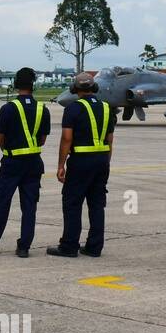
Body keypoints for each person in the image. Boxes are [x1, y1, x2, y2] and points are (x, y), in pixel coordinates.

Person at [0, 67, 50, 258]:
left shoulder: (8, 108)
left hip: (12, 162)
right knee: (29, 206)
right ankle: (24, 247)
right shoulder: (43, 109)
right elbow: (42, 140)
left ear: (16, 84)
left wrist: (9, 151)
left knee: (1, 203)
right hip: (34, 162)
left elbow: (0, 138)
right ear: (33, 85)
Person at [47, 72, 116, 258]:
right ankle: (94, 247)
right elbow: (110, 140)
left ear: (74, 89)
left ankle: (69, 246)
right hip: (101, 161)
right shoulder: (107, 108)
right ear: (94, 88)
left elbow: (67, 138)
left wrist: (61, 165)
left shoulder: (73, 109)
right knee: (96, 205)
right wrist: (105, 163)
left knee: (72, 203)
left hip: (80, 162)